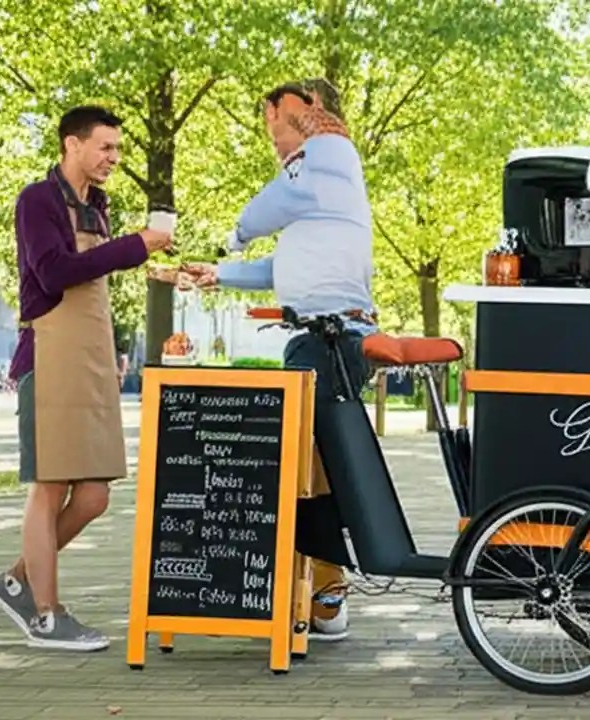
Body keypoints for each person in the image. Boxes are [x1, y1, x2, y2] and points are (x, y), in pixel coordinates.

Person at [177, 78, 374, 642]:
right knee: (311, 467)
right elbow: (286, 265)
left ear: (308, 113)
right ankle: (319, 589)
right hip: (318, 336)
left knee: (311, 470)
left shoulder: (328, 152)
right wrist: (221, 275)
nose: (277, 141)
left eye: (279, 126)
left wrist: (234, 235)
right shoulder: (326, 180)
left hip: (329, 339)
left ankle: (327, 591)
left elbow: (273, 206)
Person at [0, 105, 173, 651]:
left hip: (89, 361)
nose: (114, 158)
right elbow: (56, 272)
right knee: (50, 487)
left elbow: (94, 273)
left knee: (93, 495)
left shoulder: (99, 205)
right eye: (105, 147)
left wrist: (141, 254)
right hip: (47, 357)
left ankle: (17, 579)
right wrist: (135, 246)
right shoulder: (36, 201)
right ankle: (47, 614)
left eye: (117, 149)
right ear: (72, 144)